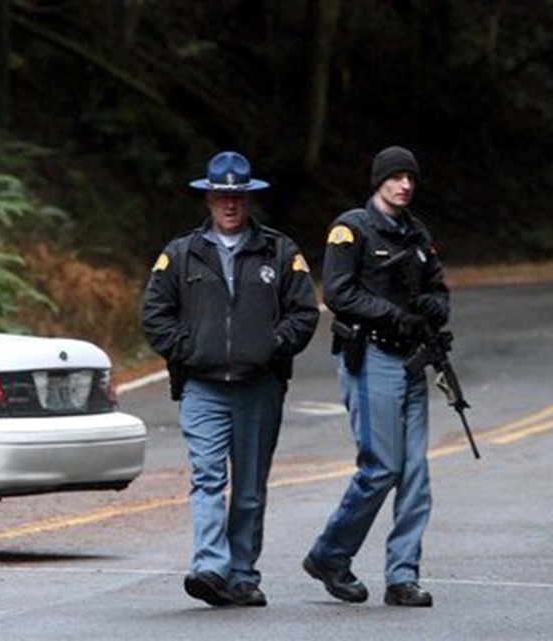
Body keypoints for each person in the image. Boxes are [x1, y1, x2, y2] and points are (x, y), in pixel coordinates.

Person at [141, 150, 319, 607]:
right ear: (208, 198)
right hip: (202, 387)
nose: (230, 204)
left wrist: (272, 346)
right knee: (207, 478)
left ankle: (242, 575)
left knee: (249, 488)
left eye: (238, 196)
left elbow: (304, 312)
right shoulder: (181, 253)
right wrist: (190, 350)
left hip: (260, 387)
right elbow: (154, 314)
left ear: (249, 199)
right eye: (222, 195)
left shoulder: (279, 251)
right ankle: (210, 566)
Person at [301, 145, 450, 607]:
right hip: (371, 358)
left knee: (415, 474)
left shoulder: (417, 234)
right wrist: (392, 315)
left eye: (411, 177)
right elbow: (339, 293)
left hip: (411, 361)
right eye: (397, 176)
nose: (405, 184)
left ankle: (403, 576)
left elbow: (438, 289)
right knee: (381, 467)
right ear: (379, 180)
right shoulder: (352, 229)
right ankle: (330, 554)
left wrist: (434, 309)